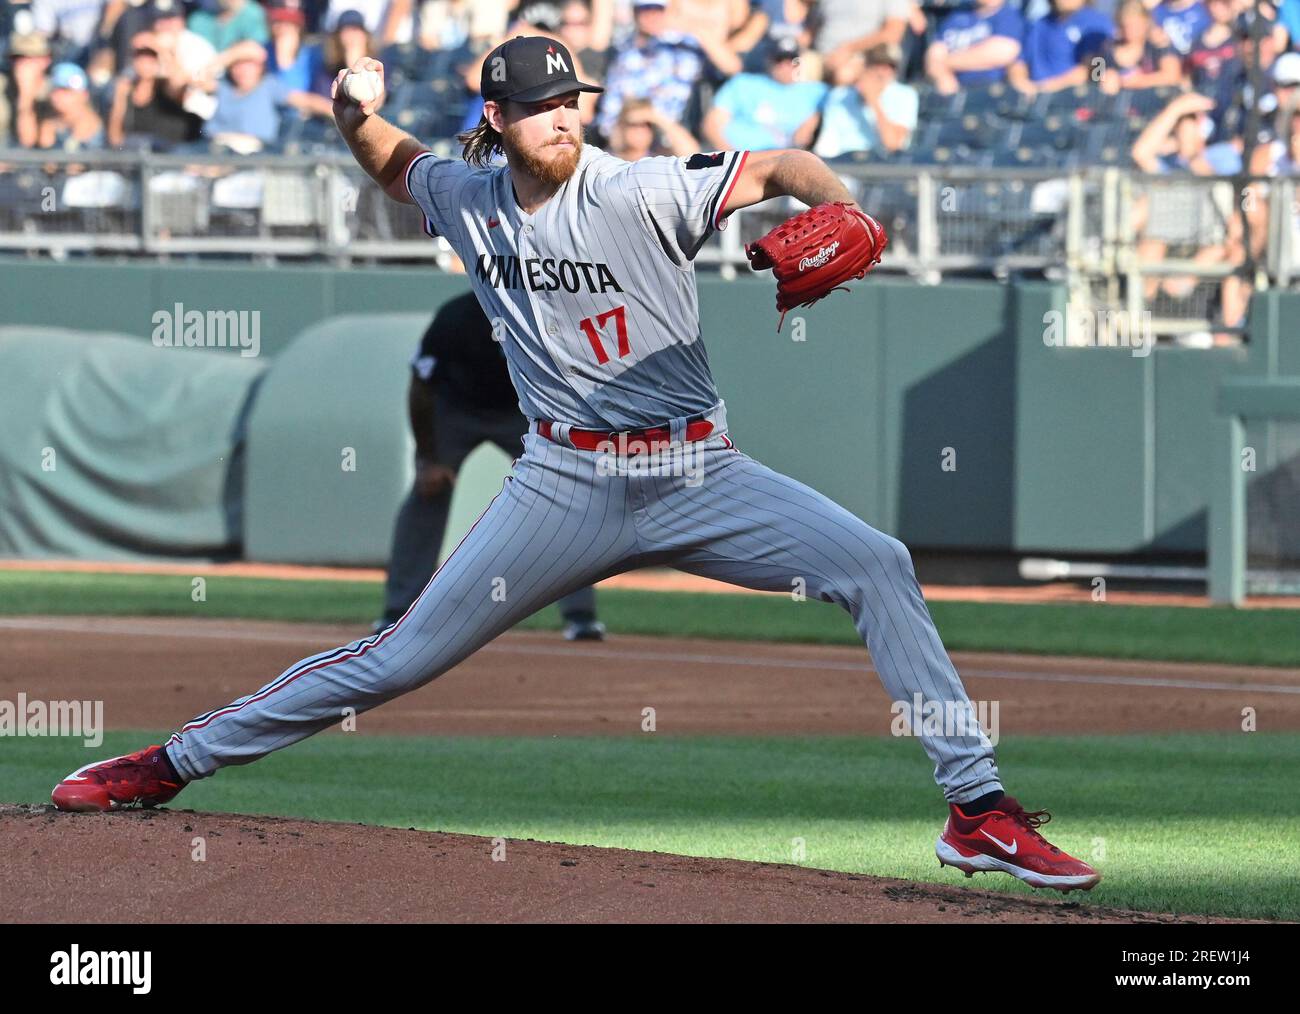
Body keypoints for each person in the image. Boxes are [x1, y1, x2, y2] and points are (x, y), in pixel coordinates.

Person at [50, 34, 1102, 897]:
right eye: (542, 104)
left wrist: (845, 209)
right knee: (396, 661)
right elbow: (392, 158)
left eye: (574, 99)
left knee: (876, 561)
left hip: (700, 472)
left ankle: (976, 811)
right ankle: (167, 764)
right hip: (562, 484)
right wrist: (349, 108)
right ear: (500, 121)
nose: (565, 115)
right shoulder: (469, 197)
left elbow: (782, 167)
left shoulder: (643, 189)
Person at [378, 293, 606, 640]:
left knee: (567, 495)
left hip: (521, 411)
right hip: (455, 408)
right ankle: (397, 612)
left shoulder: (537, 315)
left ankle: (581, 615)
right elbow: (421, 385)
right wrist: (428, 458)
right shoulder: (455, 316)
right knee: (428, 491)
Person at [594, 0, 732, 137]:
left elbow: (731, 67)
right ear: (635, 13)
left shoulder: (684, 47)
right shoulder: (623, 52)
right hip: (631, 135)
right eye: (645, 10)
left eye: (657, 9)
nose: (651, 16)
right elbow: (610, 113)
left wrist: (691, 28)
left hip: (674, 135)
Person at [699, 34, 826, 152]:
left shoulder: (817, 92)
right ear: (769, 60)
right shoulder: (743, 83)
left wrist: (812, 121)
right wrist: (733, 160)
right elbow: (712, 125)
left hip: (782, 161)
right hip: (738, 156)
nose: (786, 66)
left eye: (792, 60)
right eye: (779, 59)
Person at [199, 46, 330, 149]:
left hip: (253, 153)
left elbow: (305, 101)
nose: (243, 70)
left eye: (249, 64)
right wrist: (229, 56)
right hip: (212, 148)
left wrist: (332, 110)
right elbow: (199, 78)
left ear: (260, 67)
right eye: (237, 64)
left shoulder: (269, 86)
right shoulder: (223, 86)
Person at [808, 43, 917, 159]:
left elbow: (893, 144)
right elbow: (826, 146)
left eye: (890, 67)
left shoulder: (905, 94)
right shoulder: (839, 95)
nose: (882, 72)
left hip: (884, 167)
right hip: (843, 166)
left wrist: (873, 101)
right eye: (877, 65)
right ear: (865, 67)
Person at [106, 28, 201, 147]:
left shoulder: (164, 86)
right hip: (143, 154)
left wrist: (158, 47)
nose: (145, 64)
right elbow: (115, 134)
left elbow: (180, 80)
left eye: (151, 59)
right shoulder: (125, 89)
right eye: (140, 58)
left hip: (175, 150)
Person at [1008, 0, 1113, 94]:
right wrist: (1021, 83)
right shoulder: (1039, 24)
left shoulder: (1096, 24)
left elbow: (1093, 70)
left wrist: (1046, 88)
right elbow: (1019, 62)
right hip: (1033, 99)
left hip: (1072, 101)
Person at [926, 0, 1025, 95]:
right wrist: (942, 76)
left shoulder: (1009, 15)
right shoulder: (958, 14)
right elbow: (934, 54)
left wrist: (945, 62)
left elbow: (1003, 51)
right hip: (952, 92)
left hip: (990, 92)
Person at [1096, 0, 1184, 91]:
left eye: (1136, 25)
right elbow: (1094, 75)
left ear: (1146, 22)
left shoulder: (1158, 44)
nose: (1131, 31)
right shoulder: (1108, 47)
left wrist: (1142, 81)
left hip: (1153, 101)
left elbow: (1173, 76)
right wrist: (1104, 77)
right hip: (1118, 102)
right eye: (1126, 25)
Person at [37, 59, 104, 148]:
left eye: (65, 91)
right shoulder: (50, 123)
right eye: (55, 90)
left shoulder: (89, 124)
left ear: (83, 95)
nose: (57, 96)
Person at [606, 95, 698, 159]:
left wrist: (658, 118)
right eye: (634, 124)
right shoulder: (608, 159)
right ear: (622, 126)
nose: (640, 130)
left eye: (647, 124)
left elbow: (691, 154)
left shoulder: (658, 157)